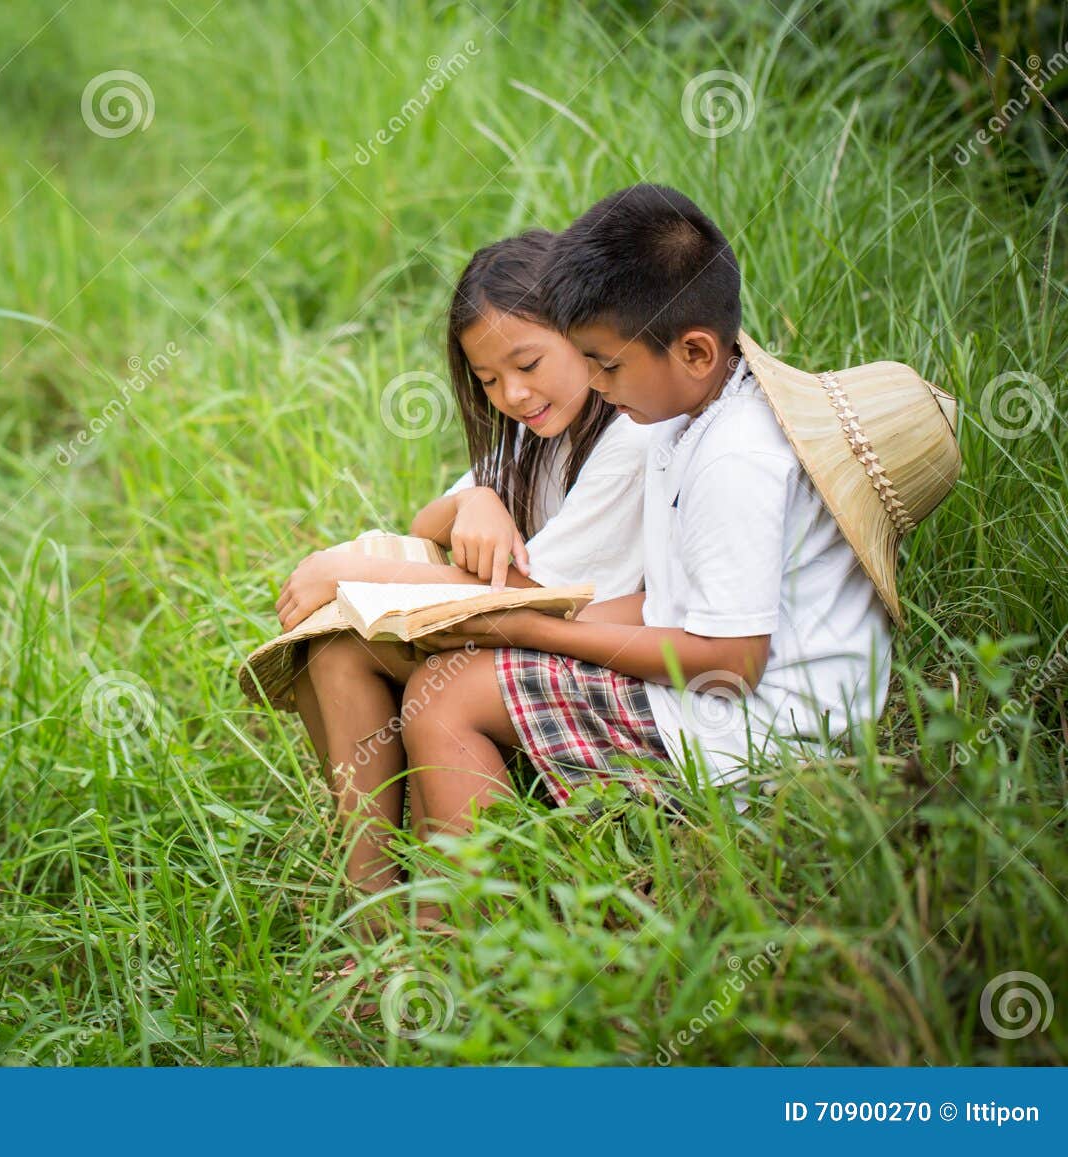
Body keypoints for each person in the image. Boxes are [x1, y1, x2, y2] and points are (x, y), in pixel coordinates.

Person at [400, 185, 959, 929]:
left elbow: (732, 655)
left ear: (694, 350)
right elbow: (664, 606)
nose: (595, 383)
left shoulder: (736, 456)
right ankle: (449, 918)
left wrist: (532, 630)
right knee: (451, 678)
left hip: (763, 739)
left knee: (445, 697)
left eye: (604, 364)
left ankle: (493, 939)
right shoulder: (680, 417)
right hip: (712, 697)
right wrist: (525, 622)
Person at [277, 227, 650, 914]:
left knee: (437, 676)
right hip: (527, 631)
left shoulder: (626, 439)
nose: (511, 393)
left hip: (600, 654)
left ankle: (455, 920)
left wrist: (345, 569)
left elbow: (532, 598)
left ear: (582, 330)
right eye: (488, 380)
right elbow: (427, 525)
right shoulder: (535, 431)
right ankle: (372, 907)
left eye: (529, 363)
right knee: (332, 649)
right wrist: (475, 500)